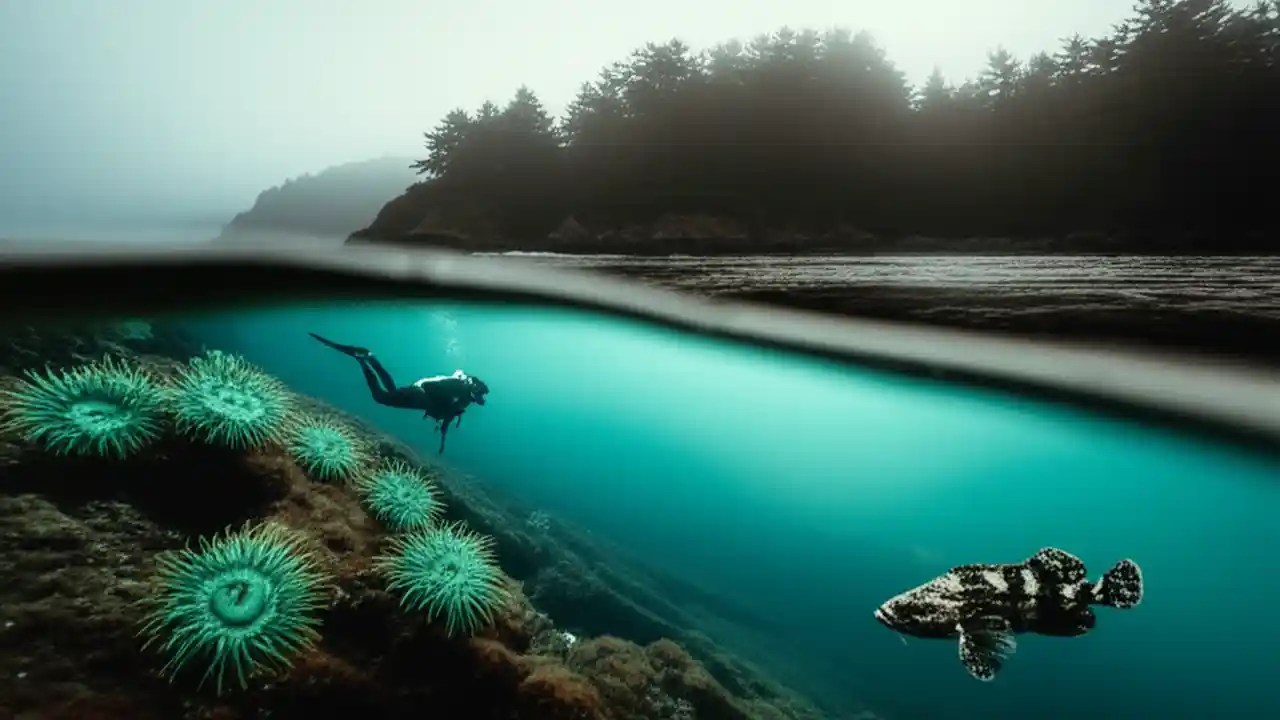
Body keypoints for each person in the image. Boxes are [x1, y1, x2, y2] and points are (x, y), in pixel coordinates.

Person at [308, 332, 489, 454]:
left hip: (421, 394)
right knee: (380, 397)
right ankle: (362, 359)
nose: (479, 400)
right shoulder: (463, 393)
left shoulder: (463, 394)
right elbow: (448, 414)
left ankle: (370, 358)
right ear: (476, 390)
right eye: (480, 396)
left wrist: (442, 438)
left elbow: (447, 414)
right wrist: (443, 436)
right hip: (421, 397)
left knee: (391, 391)